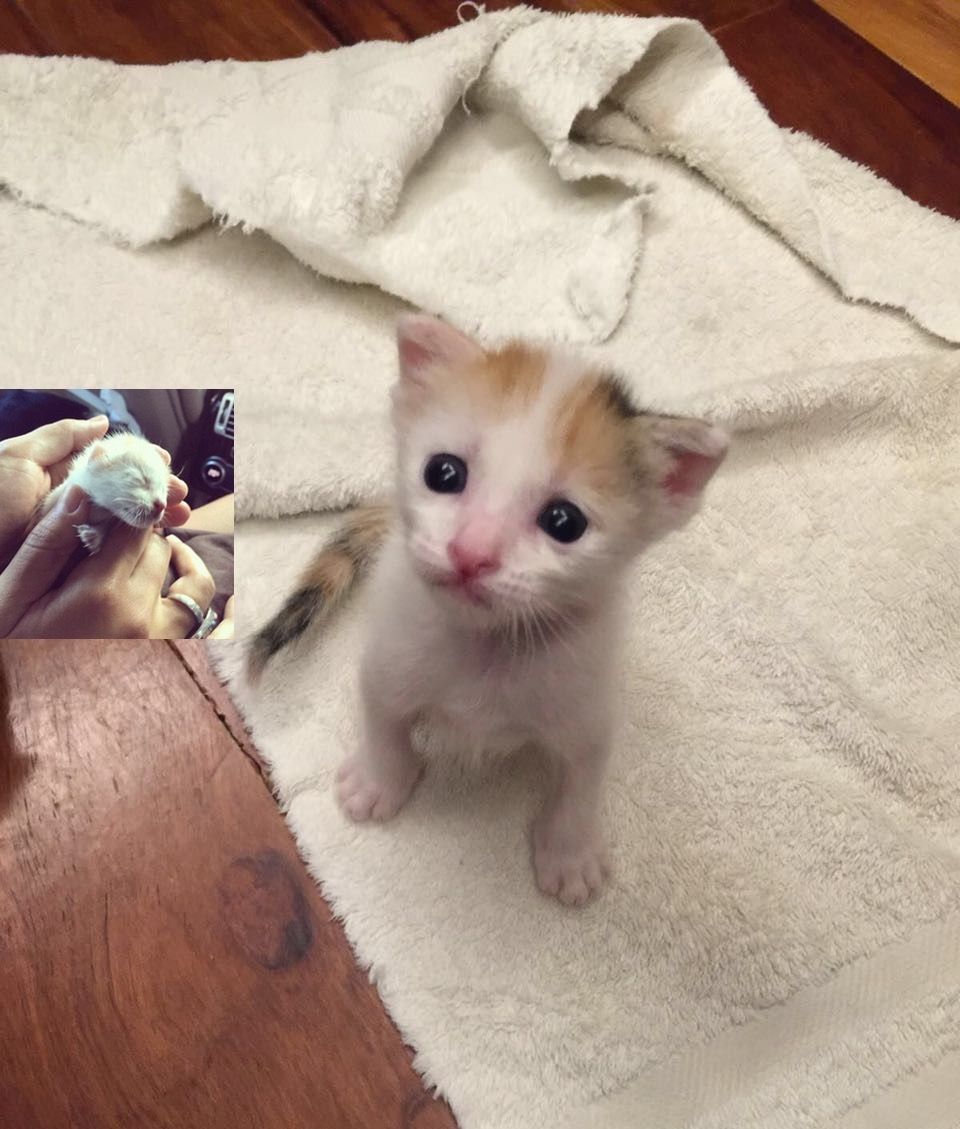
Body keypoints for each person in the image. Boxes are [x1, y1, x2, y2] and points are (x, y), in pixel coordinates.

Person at [0, 416, 235, 639]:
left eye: (163, 489)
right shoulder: (65, 496)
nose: (161, 502)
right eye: (141, 481)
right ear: (100, 461)